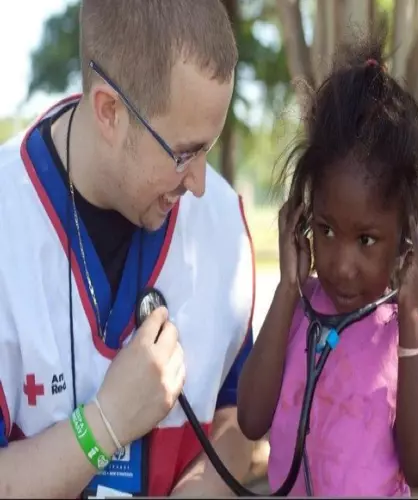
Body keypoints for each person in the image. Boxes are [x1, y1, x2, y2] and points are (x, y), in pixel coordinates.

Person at [0, 0, 255, 497]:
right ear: (109, 111)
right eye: (185, 153)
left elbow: (237, 418)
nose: (201, 183)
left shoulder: (223, 223)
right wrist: (106, 425)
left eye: (210, 147)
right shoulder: (8, 217)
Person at [237, 37, 418, 497]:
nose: (341, 264)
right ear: (302, 218)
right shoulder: (299, 309)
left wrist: (411, 317)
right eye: (325, 229)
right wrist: (286, 289)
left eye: (366, 240)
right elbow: (251, 418)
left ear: (407, 234)